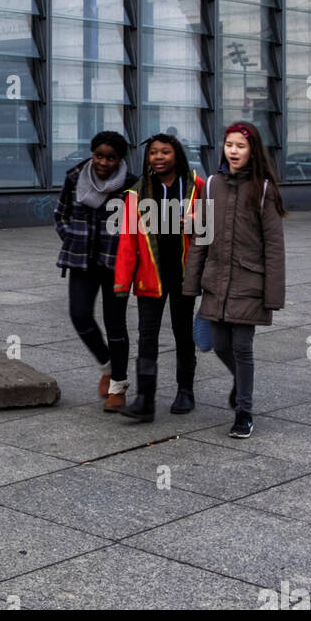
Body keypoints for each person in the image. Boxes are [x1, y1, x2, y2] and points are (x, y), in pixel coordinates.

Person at [182, 121, 285, 438]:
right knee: (219, 344)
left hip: (249, 283)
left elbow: (274, 246)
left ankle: (244, 412)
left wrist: (273, 295)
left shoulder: (264, 188)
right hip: (216, 281)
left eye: (240, 146)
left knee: (242, 346)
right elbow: (202, 235)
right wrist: (191, 282)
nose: (234, 151)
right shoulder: (212, 185)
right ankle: (242, 382)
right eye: (229, 145)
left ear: (252, 150)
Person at [113, 134, 206, 421]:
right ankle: (145, 400)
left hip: (184, 275)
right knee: (147, 337)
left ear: (176, 154)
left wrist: (193, 224)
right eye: (153, 152)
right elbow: (128, 240)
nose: (159, 157)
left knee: (183, 333)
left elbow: (210, 230)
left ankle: (185, 391)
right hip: (149, 276)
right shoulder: (138, 191)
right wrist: (121, 283)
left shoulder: (196, 186)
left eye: (165, 151)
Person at [55, 131, 137, 411]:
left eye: (111, 158)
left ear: (120, 159)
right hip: (81, 259)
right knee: (79, 315)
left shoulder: (131, 186)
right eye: (99, 155)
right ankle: (108, 366)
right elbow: (61, 213)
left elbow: (140, 226)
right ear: (92, 154)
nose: (103, 162)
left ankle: (119, 387)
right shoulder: (75, 177)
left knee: (115, 325)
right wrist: (70, 236)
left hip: (116, 263)